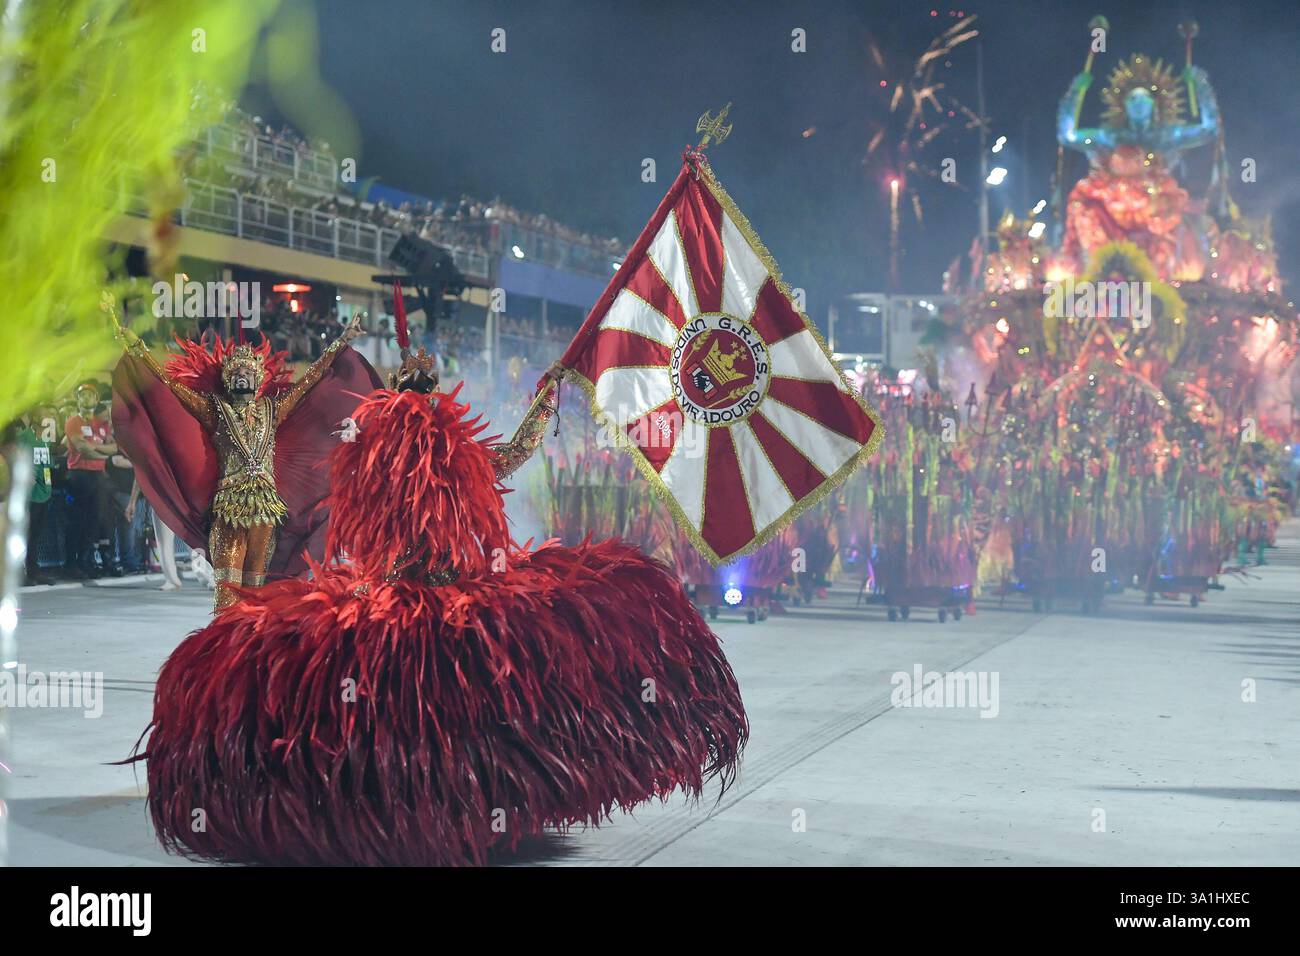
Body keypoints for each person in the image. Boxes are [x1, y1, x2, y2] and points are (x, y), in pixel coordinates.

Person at [134, 351, 748, 865]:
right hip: (417, 592)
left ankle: (427, 802)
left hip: (421, 590)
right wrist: (543, 406)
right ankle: (452, 801)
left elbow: (492, 464)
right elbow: (502, 459)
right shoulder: (390, 455)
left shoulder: (386, 455)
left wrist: (542, 406)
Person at [111, 306, 380, 610]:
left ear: (257, 377)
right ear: (227, 379)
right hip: (227, 511)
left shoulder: (273, 409)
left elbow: (311, 379)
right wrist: (137, 349)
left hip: (267, 512)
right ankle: (220, 649)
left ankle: (247, 649)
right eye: (236, 372)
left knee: (256, 596)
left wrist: (341, 341)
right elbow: (170, 389)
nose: (241, 376)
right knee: (227, 593)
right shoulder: (215, 410)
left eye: (247, 372)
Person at [63, 381, 118, 578]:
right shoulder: (73, 421)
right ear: (78, 400)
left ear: (96, 400)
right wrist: (102, 453)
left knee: (94, 521)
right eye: (82, 395)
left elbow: (114, 447)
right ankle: (72, 564)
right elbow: (82, 448)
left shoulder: (101, 424)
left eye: (90, 395)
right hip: (79, 475)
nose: (86, 399)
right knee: (77, 520)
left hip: (98, 476)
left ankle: (85, 562)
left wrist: (95, 449)